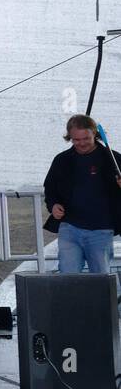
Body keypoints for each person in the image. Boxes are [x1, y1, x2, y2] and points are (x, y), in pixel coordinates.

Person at [42, 114, 121, 275]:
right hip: (69, 228)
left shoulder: (113, 159)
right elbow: (50, 188)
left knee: (101, 277)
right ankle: (71, 301)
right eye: (76, 140)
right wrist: (53, 205)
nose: (82, 143)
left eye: (86, 138)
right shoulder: (62, 160)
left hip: (101, 230)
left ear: (94, 134)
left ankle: (101, 301)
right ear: (69, 137)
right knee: (68, 275)